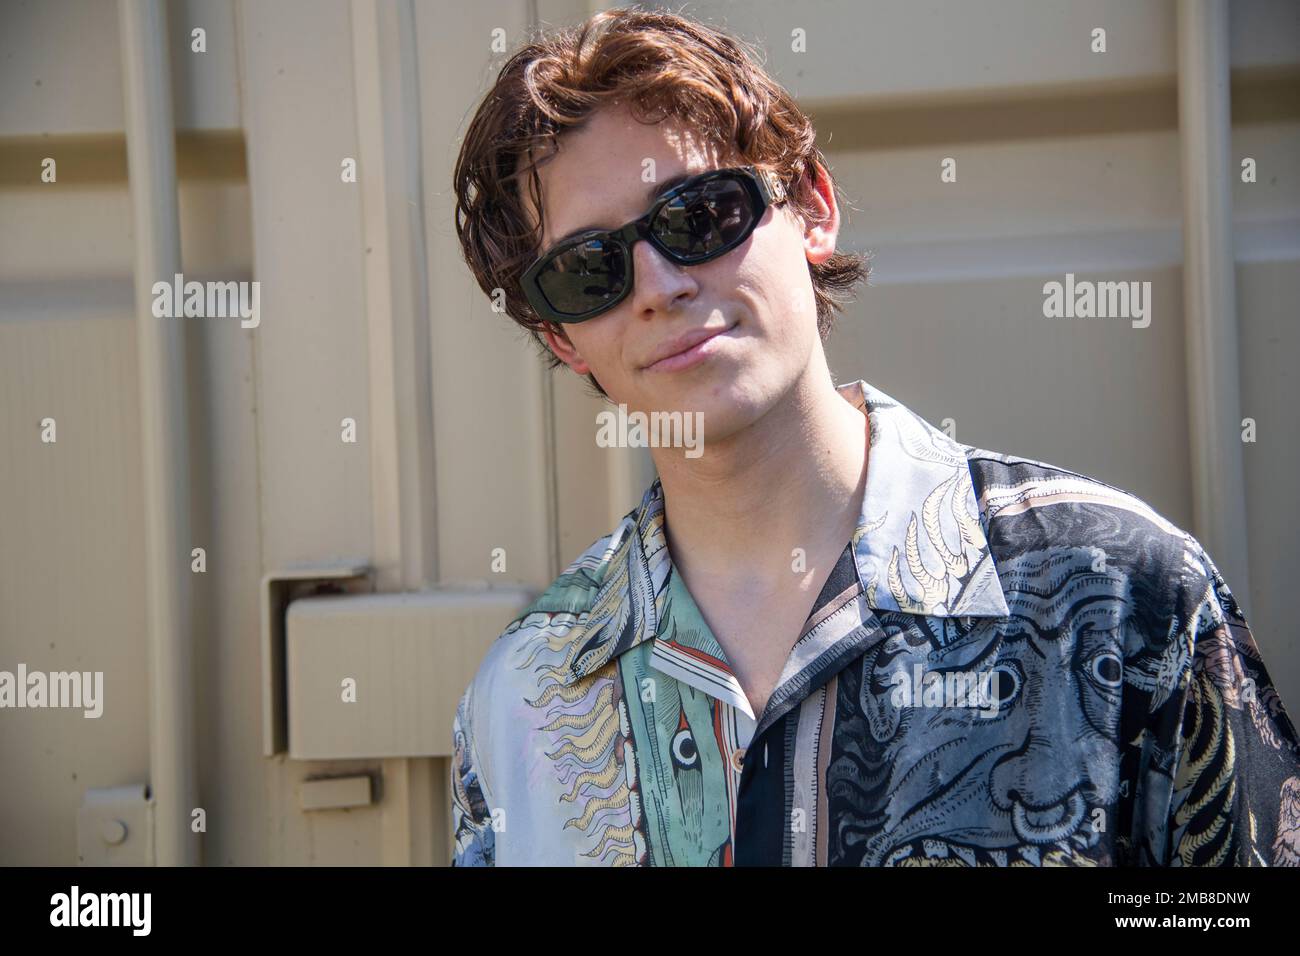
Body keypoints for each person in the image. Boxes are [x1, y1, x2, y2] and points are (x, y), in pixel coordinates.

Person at [447, 7, 1300, 866]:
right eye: (589, 267)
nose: (659, 285)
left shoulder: (1123, 593)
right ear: (561, 337)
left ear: (812, 208)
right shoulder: (523, 693)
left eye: (700, 214)